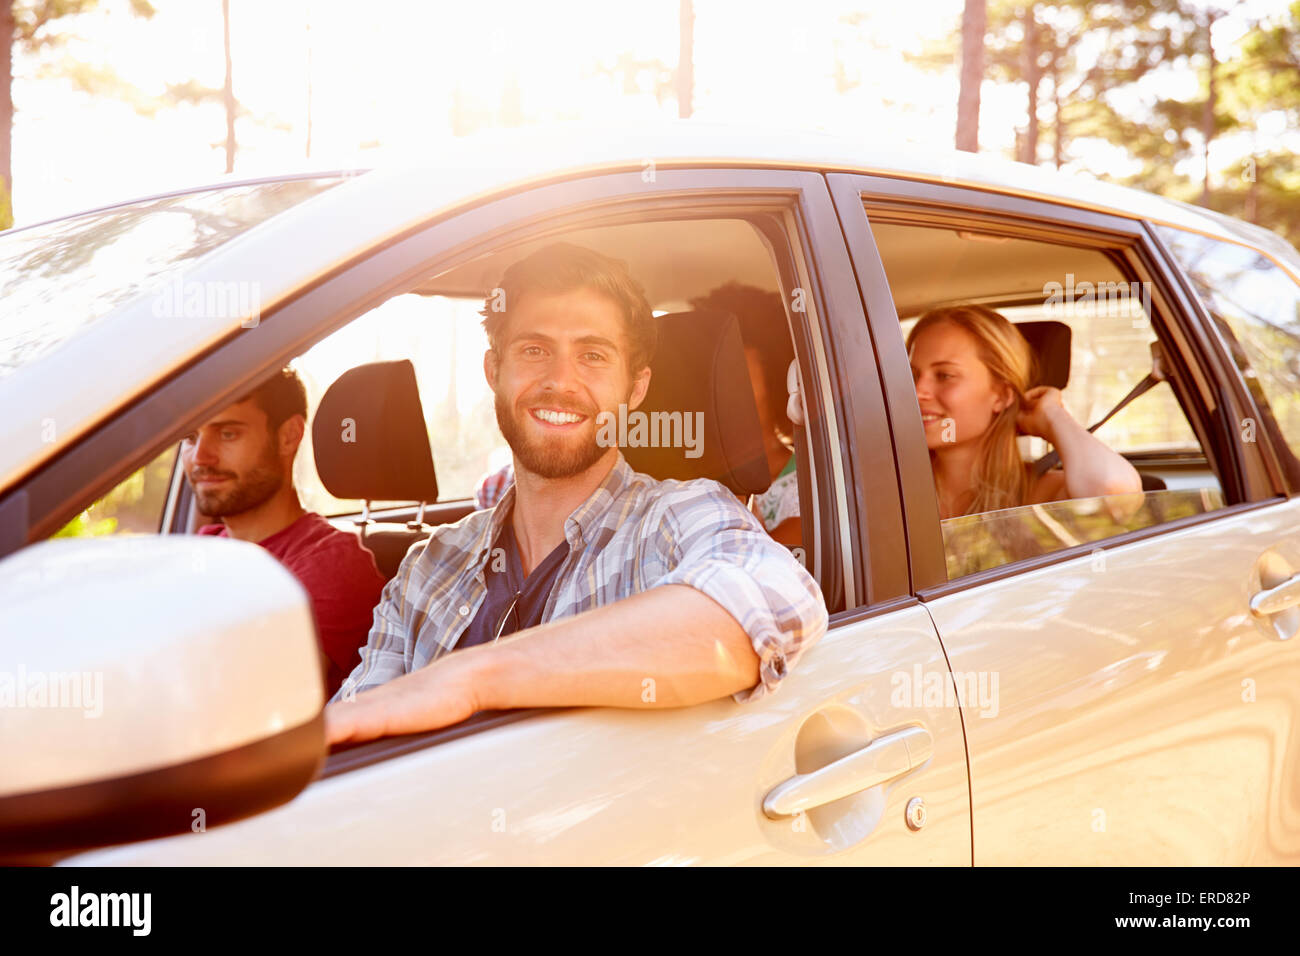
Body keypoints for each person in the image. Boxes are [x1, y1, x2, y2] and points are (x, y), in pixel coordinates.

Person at [325, 243, 827, 745]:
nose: (560, 381)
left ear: (635, 391)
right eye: (534, 350)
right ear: (493, 372)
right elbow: (351, 736)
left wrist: (473, 678)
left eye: (592, 355)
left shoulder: (678, 516)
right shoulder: (428, 566)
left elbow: (772, 602)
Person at [185, 367, 387, 699]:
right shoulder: (203, 547)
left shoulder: (331, 566)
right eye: (190, 438)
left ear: (288, 436)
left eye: (227, 434)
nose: (200, 457)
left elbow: (256, 709)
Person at [907, 303, 1142, 520]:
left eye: (945, 375)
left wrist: (1053, 416)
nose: (917, 392)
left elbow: (1114, 492)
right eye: (913, 375)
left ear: (1001, 395)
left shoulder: (1041, 494)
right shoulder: (889, 492)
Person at [689, 282, 800, 546]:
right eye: (711, 378)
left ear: (776, 381)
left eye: (737, 379)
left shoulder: (807, 487)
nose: (720, 394)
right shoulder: (679, 474)